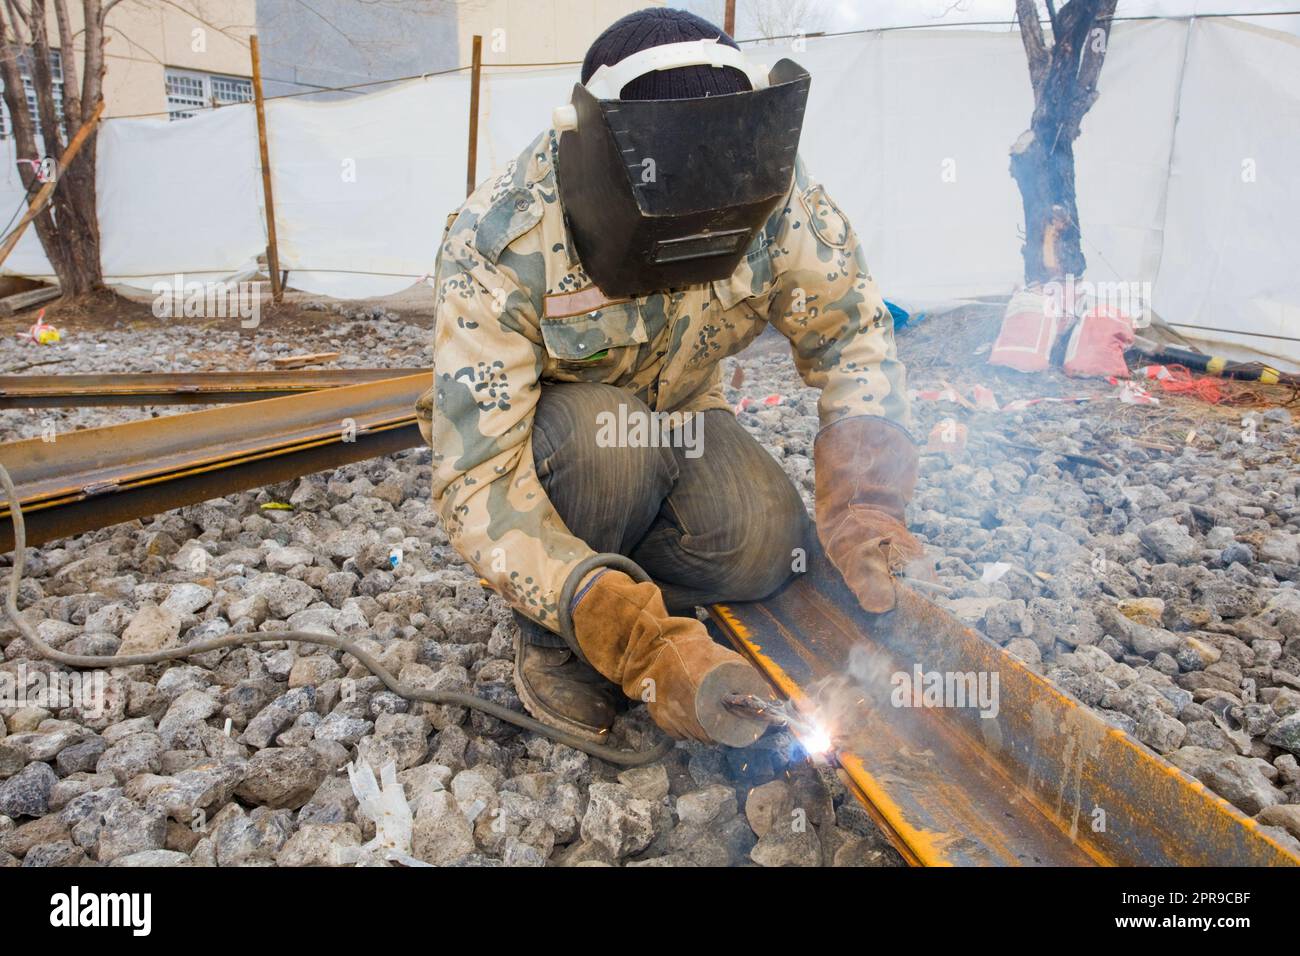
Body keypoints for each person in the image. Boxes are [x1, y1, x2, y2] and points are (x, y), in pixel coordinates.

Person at [417, 7, 917, 748]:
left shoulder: (771, 190)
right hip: (570, 442)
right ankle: (563, 632)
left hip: (681, 409)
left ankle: (633, 580)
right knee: (607, 450)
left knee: (765, 540)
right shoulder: (504, 242)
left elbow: (852, 333)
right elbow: (477, 481)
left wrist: (868, 503)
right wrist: (636, 643)